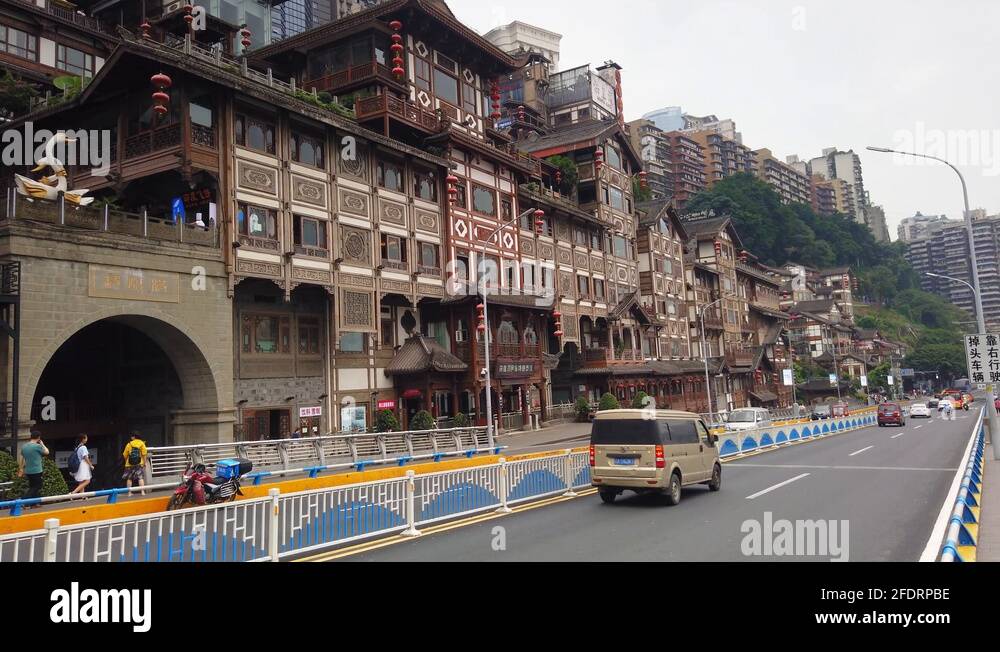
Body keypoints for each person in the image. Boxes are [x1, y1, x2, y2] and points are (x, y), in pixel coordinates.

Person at [18, 431, 49, 503]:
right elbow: (47, 452)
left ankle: (34, 503)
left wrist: (21, 468)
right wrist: (42, 444)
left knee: (32, 487)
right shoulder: (37, 446)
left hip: (28, 471)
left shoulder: (24, 446)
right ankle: (23, 501)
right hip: (37, 470)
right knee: (37, 486)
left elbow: (21, 458)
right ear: (39, 437)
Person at [121, 432, 148, 496]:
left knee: (129, 478)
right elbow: (144, 454)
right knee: (140, 478)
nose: (131, 437)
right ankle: (142, 492)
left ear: (134, 437)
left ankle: (129, 493)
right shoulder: (141, 443)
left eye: (132, 436)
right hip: (139, 463)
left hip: (129, 464)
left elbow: (125, 455)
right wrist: (144, 463)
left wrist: (126, 461)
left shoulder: (129, 444)